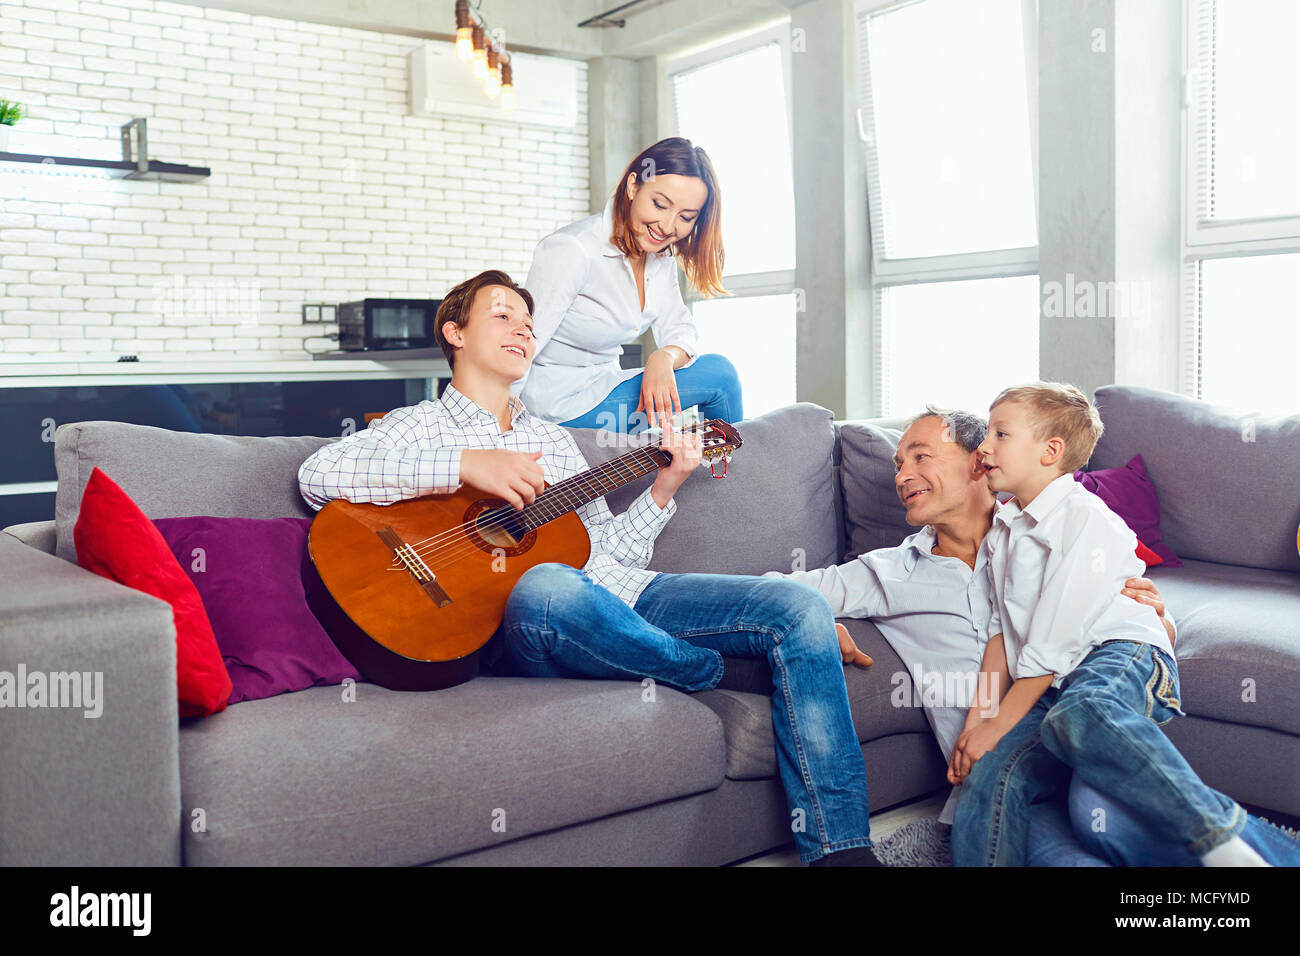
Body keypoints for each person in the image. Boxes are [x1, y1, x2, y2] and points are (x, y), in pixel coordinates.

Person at [298, 269, 878, 866]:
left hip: (623, 599)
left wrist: (667, 481)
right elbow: (317, 476)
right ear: (455, 333)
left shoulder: (554, 440)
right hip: (537, 617)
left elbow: (609, 553)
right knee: (547, 586)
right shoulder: (421, 426)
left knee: (800, 607)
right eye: (502, 317)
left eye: (528, 323)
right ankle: (711, 668)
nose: (522, 330)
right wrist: (466, 464)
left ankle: (841, 852)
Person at [772, 405, 1300, 866]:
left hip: (1079, 732)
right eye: (897, 463)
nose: (902, 473)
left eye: (920, 455)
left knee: (1107, 823)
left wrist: (1159, 619)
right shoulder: (886, 572)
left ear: (980, 460)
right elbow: (772, 592)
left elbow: (1120, 624)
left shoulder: (1041, 533)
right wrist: (808, 624)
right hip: (1000, 767)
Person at [949, 382, 1273, 867]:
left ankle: (1223, 845)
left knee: (1082, 712)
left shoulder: (1083, 517)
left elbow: (1052, 639)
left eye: (1000, 433)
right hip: (1056, 684)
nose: (985, 446)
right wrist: (977, 725)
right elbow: (1002, 631)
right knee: (991, 774)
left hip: (1121, 652)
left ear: (1050, 451)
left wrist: (999, 723)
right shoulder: (1003, 533)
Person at [516, 137, 743, 433]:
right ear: (633, 186)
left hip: (606, 388)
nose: (667, 226)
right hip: (559, 406)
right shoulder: (573, 250)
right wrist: (500, 430)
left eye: (686, 217)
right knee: (720, 377)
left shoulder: (659, 258)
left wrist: (664, 357)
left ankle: (722, 467)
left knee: (710, 388)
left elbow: (680, 331)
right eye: (660, 204)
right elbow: (521, 343)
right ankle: (742, 473)